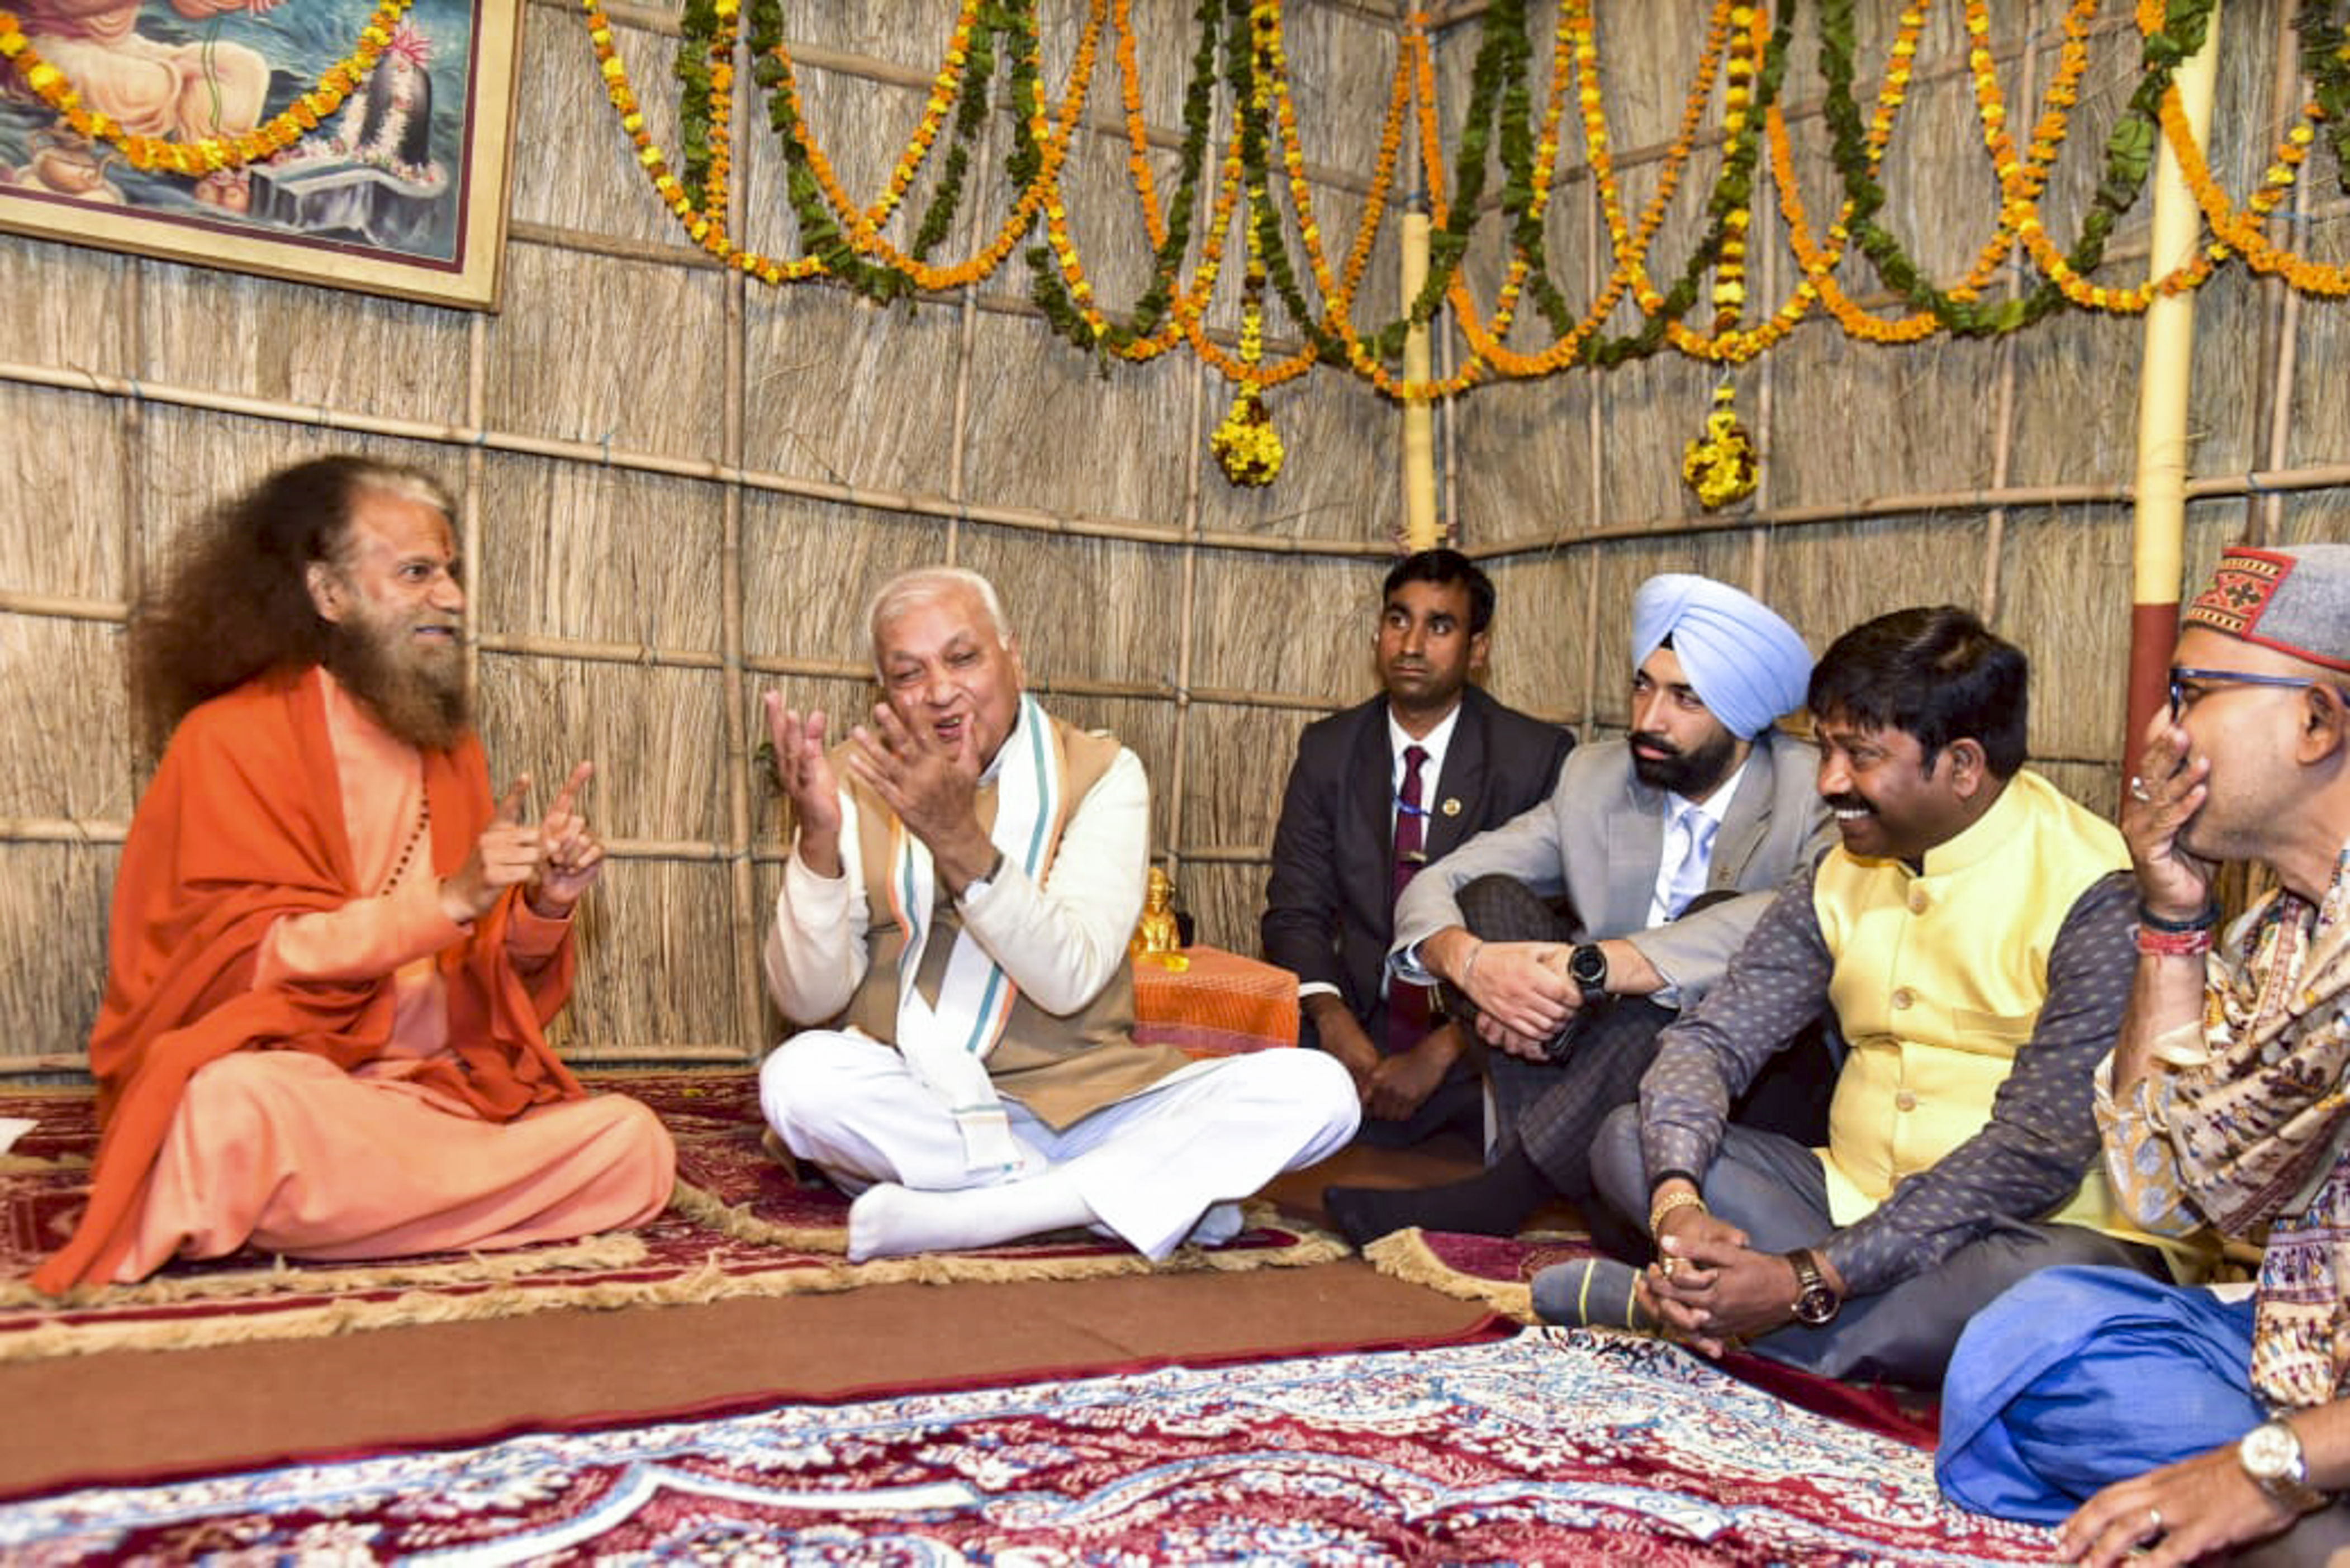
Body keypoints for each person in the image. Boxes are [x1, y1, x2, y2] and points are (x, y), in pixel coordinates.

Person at [32, 455, 676, 1294]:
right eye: (416, 572)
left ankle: (340, 1213)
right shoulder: (228, 740)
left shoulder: (449, 748)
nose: (450, 596)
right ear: (328, 594)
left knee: (633, 1141)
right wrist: (444, 902)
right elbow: (242, 960)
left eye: (449, 572)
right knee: (230, 1108)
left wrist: (542, 906)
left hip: (417, 1093)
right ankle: (435, 1206)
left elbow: (476, 984)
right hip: (291, 1076)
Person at [1561, 606, 2204, 1390]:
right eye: (1825, 748)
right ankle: (1795, 1321)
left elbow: (2033, 1154)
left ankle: (1740, 1323)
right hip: (1841, 1201)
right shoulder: (1842, 867)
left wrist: (1806, 1275)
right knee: (1633, 1139)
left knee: (2061, 1284)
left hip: (2018, 1229)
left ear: (1962, 764)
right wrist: (1676, 1208)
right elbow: (1713, 1039)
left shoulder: (2094, 889)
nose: (1829, 781)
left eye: (1858, 755)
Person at [1938, 544, 2350, 1566]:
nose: (2159, 738)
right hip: (2299, 1345)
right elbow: (2162, 1193)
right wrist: (2172, 921)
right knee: (2038, 1337)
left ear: (2318, 722)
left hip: (2317, 1406)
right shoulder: (2282, 934)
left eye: (2194, 695)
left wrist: (2272, 1462)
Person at [759, 566, 1360, 1263]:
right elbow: (808, 1000)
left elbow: (1068, 977)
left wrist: (955, 836)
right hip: (922, 1107)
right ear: (883, 692)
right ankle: (1118, 1198)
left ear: (1012, 656)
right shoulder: (850, 781)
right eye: (908, 673)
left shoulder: (1103, 773)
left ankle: (983, 1213)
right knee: (798, 1080)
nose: (940, 691)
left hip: (1096, 1108)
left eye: (963, 657)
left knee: (1317, 1091)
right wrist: (817, 841)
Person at [1319, 572, 1831, 1247]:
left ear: (1739, 714)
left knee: (1684, 961)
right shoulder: (1598, 776)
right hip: (1587, 1050)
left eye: (1684, 699)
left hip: (1756, 1077)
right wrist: (1471, 965)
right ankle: (1590, 1185)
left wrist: (1596, 967)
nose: (1648, 718)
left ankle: (1505, 1194)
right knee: (1488, 903)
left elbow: (1800, 916)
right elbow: (1443, 879)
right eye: (1642, 686)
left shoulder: (1811, 788)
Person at [1261, 549, 1573, 1149]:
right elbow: (1295, 909)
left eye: (1439, 626)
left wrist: (1444, 1050)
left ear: (1476, 649)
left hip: (1480, 1042)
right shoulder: (1329, 749)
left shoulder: (1531, 756)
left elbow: (1553, 932)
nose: (1410, 643)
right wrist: (1333, 1023)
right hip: (1349, 1028)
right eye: (1397, 619)